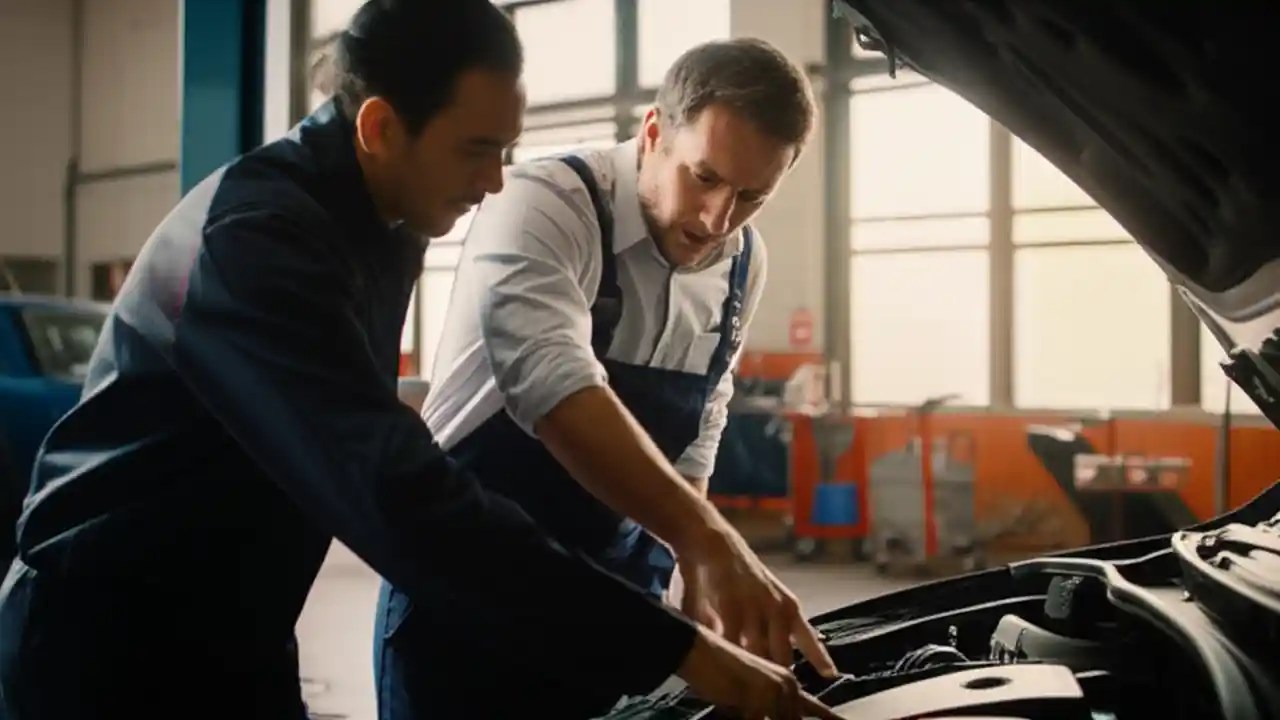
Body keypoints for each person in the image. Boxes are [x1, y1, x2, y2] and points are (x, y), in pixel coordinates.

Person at [0, 3, 839, 719]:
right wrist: (681, 647)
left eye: (505, 148)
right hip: (106, 643)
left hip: (238, 628)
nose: (497, 183)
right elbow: (398, 499)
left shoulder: (383, 215)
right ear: (380, 128)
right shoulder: (257, 242)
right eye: (477, 150)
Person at [375, 37, 834, 719]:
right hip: (468, 586)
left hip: (617, 605)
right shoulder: (545, 201)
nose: (718, 219)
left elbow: (703, 414)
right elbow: (553, 384)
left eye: (751, 196)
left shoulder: (742, 259)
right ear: (653, 132)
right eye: (703, 178)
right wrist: (706, 540)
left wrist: (688, 573)